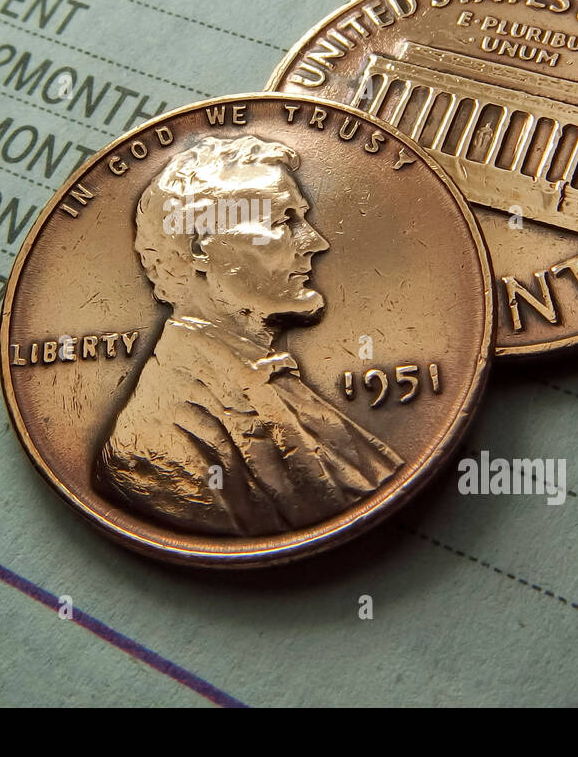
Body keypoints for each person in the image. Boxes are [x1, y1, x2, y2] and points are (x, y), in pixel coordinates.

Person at [94, 134, 402, 535]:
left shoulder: (273, 381)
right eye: (282, 222)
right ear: (199, 248)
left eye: (302, 219)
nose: (315, 242)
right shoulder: (154, 440)